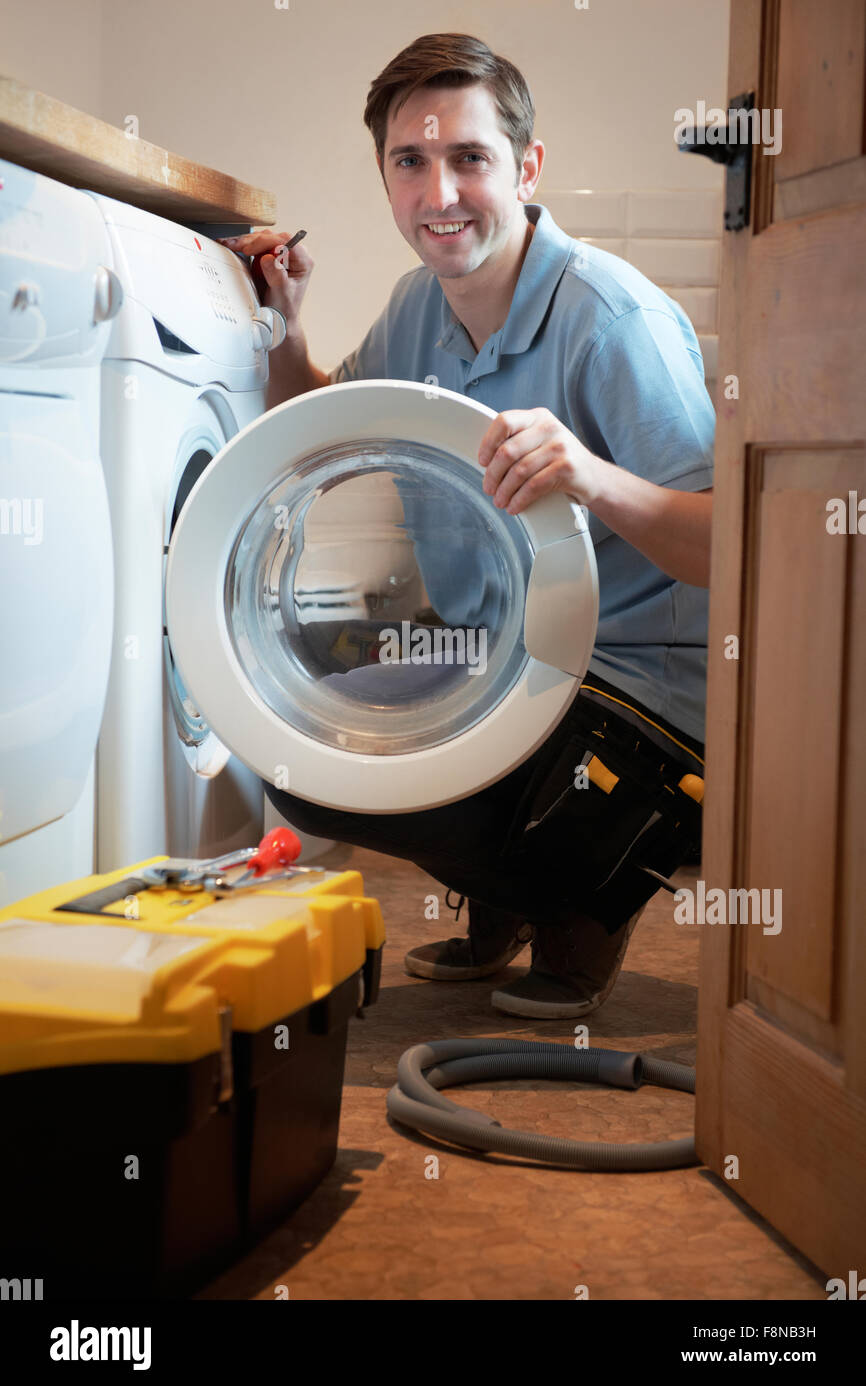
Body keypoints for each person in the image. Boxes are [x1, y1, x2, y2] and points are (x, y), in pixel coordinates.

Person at [217, 32, 714, 1020]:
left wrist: (589, 476)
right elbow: (317, 420)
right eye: (410, 161)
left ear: (525, 168)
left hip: (640, 703)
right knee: (300, 751)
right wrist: (287, 320)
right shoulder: (419, 308)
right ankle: (517, 888)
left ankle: (587, 890)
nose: (438, 191)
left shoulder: (610, 320)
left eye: (468, 159)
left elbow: (729, 548)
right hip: (509, 667)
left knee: (391, 749)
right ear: (385, 177)